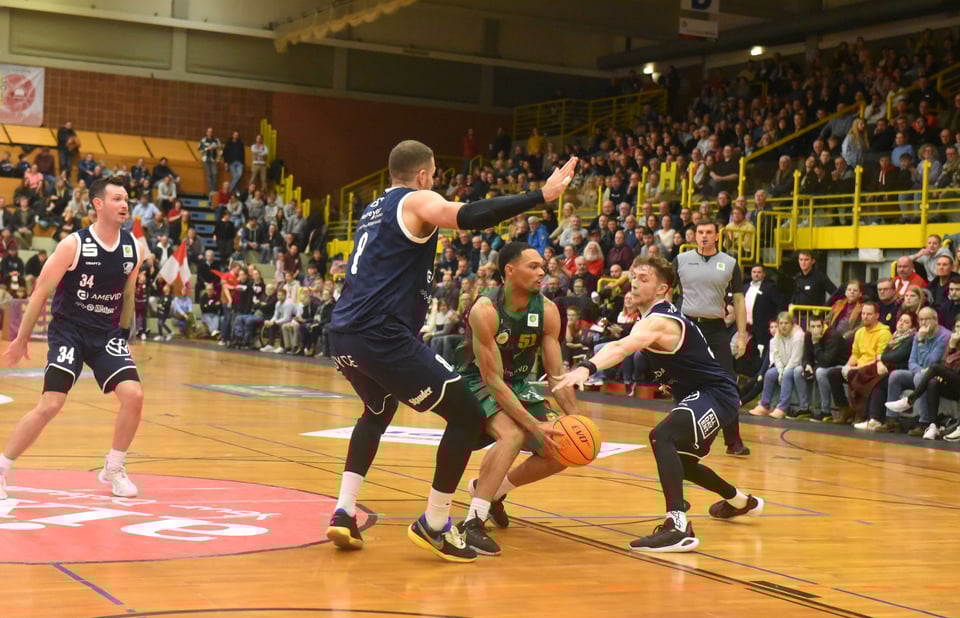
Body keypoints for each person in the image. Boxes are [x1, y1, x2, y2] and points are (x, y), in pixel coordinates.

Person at [325, 140, 576, 562]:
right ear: (424, 175)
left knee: (377, 411)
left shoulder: (374, 208)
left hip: (342, 332)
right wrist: (540, 196)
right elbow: (468, 216)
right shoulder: (418, 199)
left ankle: (344, 511)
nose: (436, 183)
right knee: (466, 412)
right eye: (436, 174)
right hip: (380, 334)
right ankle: (436, 522)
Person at [556, 256, 763, 553]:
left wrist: (586, 367)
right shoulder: (648, 319)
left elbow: (621, 347)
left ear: (662, 289)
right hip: (699, 394)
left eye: (644, 278)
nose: (635, 282)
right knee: (683, 465)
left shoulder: (661, 321)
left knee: (661, 436)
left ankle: (677, 526)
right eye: (634, 277)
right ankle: (741, 502)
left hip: (716, 394)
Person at [0, 177, 145, 500]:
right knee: (51, 403)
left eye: (126, 199)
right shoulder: (73, 244)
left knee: (134, 395)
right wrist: (21, 339)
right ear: (98, 204)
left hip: (107, 335)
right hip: (69, 332)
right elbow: (40, 292)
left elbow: (128, 292)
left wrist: (125, 335)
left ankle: (114, 467)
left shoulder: (132, 247)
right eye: (117, 199)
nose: (124, 205)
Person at [454, 242, 576, 555]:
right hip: (478, 382)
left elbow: (557, 377)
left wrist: (577, 420)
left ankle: (494, 493)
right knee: (513, 433)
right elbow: (492, 381)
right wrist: (534, 426)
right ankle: (472, 523)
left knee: (563, 449)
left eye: (542, 266)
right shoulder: (486, 310)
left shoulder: (547, 310)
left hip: (520, 384)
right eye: (533, 266)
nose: (542, 271)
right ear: (510, 270)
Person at [672, 219, 751, 456]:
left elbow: (738, 300)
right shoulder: (681, 260)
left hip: (716, 329)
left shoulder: (729, 263)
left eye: (709, 232)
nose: (704, 236)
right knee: (683, 382)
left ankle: (733, 441)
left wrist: (741, 335)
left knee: (727, 383)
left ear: (717, 236)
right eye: (700, 232)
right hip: (687, 327)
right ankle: (681, 437)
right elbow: (665, 291)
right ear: (694, 236)